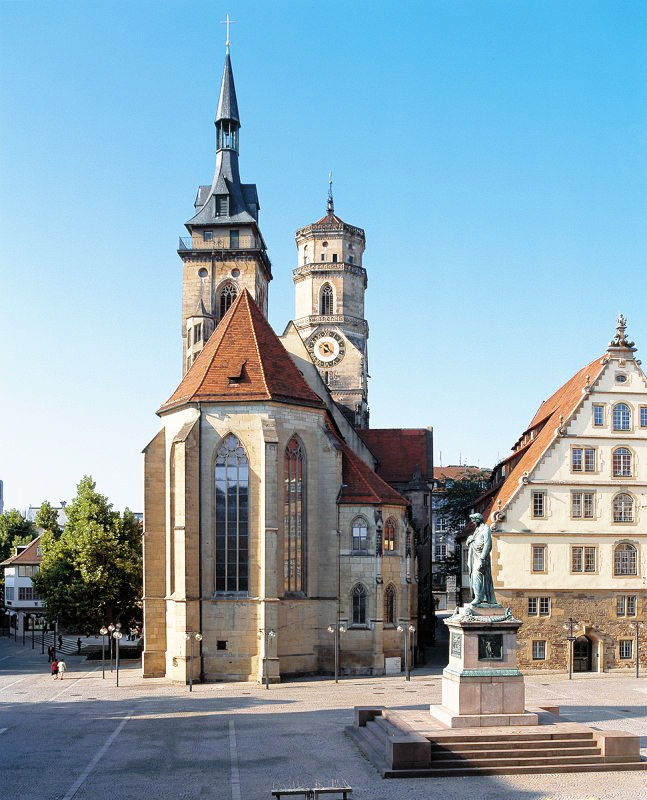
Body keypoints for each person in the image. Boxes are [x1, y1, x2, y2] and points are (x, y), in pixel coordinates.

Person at [465, 512, 498, 607]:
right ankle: (479, 597)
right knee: (475, 576)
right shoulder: (477, 530)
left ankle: (478, 598)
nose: (473, 523)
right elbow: (471, 541)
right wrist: (469, 539)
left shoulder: (485, 529)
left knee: (477, 576)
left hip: (481, 558)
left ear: (478, 520)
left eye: (473, 521)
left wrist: (482, 558)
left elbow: (487, 544)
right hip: (475, 557)